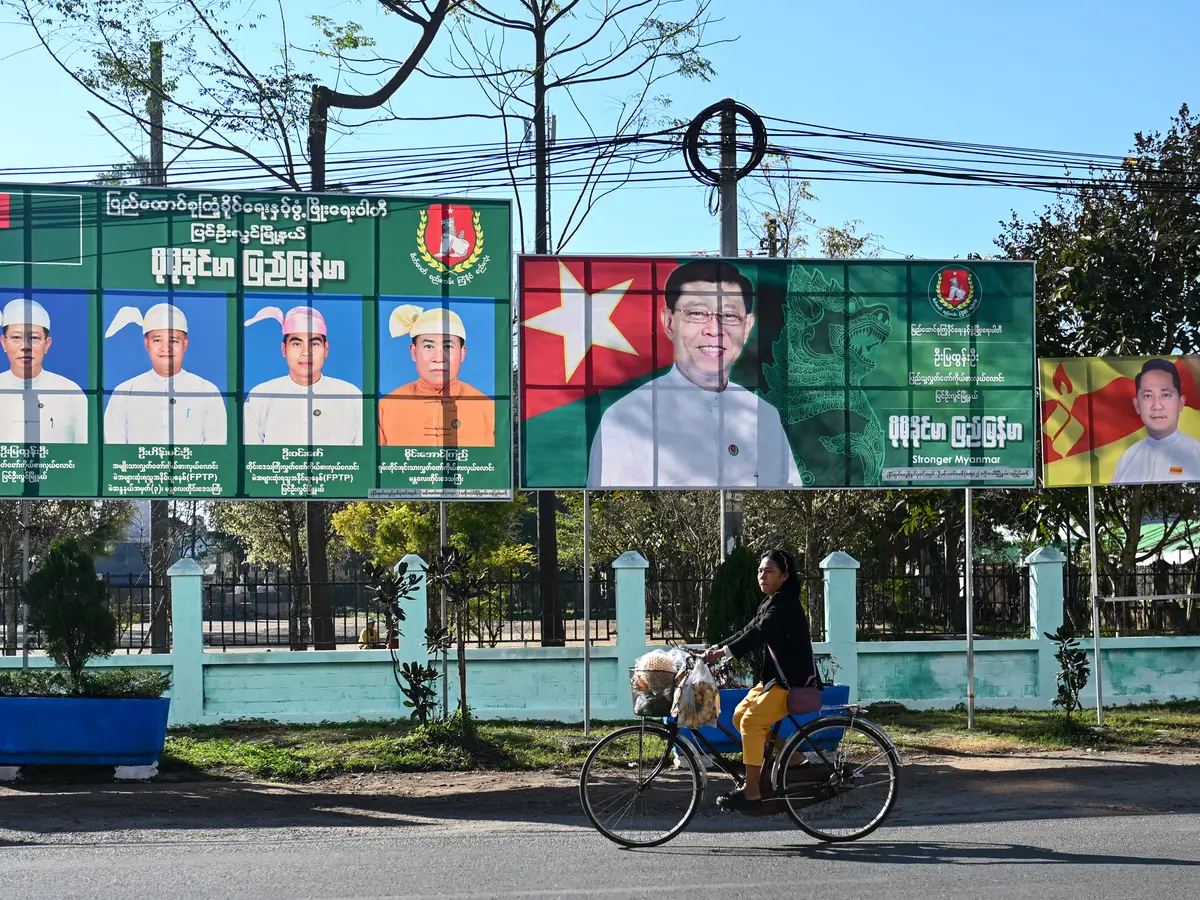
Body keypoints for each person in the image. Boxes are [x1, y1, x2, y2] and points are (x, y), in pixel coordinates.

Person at [587, 260, 802, 488]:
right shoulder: (626, 418)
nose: (714, 330)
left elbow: (790, 491)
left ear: (747, 327)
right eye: (697, 313)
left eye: (729, 316)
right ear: (669, 322)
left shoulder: (763, 415)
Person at [704, 549, 817, 815]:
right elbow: (749, 629)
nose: (762, 576)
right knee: (739, 716)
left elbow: (760, 632)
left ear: (785, 575)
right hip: (773, 679)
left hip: (791, 681)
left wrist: (722, 654)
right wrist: (717, 647)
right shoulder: (771, 602)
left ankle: (752, 791)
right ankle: (796, 759)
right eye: (760, 571)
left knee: (751, 722)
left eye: (769, 571)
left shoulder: (785, 603)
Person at [103, 302, 227, 445]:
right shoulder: (124, 393)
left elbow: (216, 446)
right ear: (146, 344)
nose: (165, 348)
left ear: (185, 345)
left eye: (173, 341)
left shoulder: (207, 391)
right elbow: (114, 447)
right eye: (157, 340)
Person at [242, 305, 363, 446]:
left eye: (315, 344)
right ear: (283, 349)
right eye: (297, 344)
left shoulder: (351, 396)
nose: (306, 352)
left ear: (326, 349)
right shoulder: (259, 396)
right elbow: (250, 459)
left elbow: (362, 459)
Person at [377, 304, 494, 447]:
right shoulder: (387, 407)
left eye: (447, 347)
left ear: (462, 353)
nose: (438, 358)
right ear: (413, 352)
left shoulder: (488, 409)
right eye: (428, 347)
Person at [0, 297, 88, 443]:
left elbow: (87, 453)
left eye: (34, 338)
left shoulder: (71, 394)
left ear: (47, 344)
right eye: (16, 337)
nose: (25, 346)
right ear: (3, 343)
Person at [1112, 358, 1200, 484]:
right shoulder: (1127, 460)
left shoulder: (1197, 453)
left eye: (1165, 395)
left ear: (1181, 403)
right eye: (1148, 396)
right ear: (1137, 405)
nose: (1157, 406)